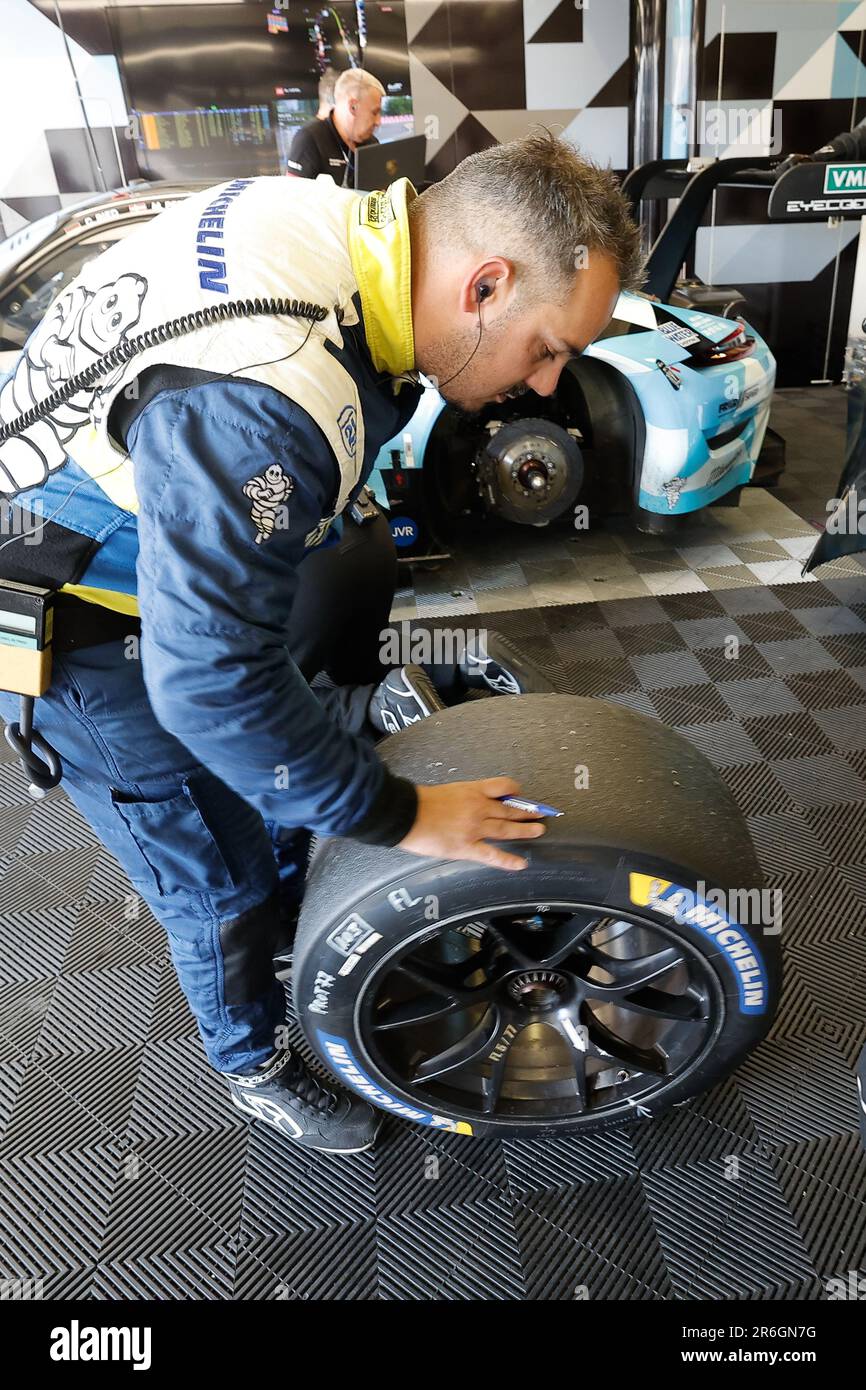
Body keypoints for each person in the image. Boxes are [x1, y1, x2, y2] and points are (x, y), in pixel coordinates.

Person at [0, 132, 643, 1153]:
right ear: (483, 284)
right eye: (548, 346)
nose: (541, 383)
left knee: (276, 778)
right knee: (217, 883)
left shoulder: (326, 222)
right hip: (74, 625)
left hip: (141, 549)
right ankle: (249, 1061)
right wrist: (405, 814)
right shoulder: (262, 395)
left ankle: (301, 923)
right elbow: (206, 680)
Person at [287, 67, 382, 185]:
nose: (378, 121)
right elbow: (294, 198)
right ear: (353, 107)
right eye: (374, 112)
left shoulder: (371, 143)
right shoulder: (309, 139)